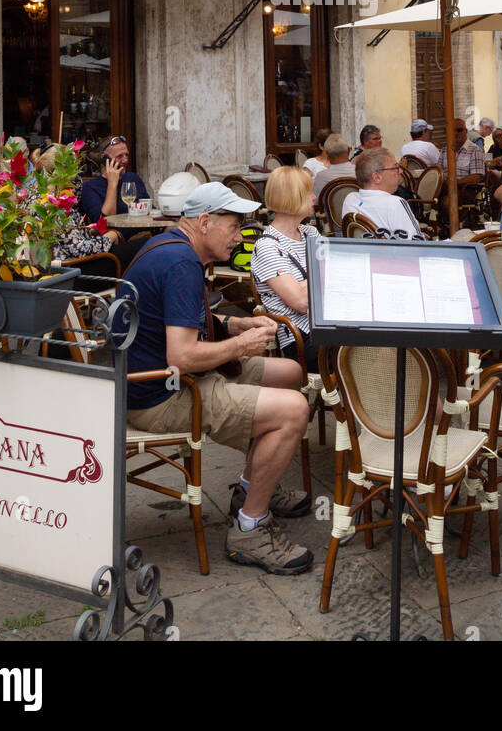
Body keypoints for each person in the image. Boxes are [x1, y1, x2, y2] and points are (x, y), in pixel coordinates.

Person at [119, 183, 314, 575]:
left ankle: (251, 485)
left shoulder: (172, 248)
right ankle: (250, 530)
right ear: (205, 222)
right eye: (234, 225)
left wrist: (234, 324)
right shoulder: (181, 264)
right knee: (294, 410)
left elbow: (181, 320)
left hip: (159, 379)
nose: (240, 236)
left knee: (291, 372)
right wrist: (241, 345)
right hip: (159, 396)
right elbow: (182, 356)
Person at [34, 143, 141, 273]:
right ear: (62, 172)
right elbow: (80, 250)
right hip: (73, 271)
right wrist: (110, 237)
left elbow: (68, 238)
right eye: (74, 171)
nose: (77, 178)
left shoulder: (39, 197)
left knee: (142, 245)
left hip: (75, 263)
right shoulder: (55, 203)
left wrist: (91, 232)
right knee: (143, 246)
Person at [252, 167, 319, 371]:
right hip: (302, 337)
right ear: (294, 197)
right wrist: (325, 275)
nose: (314, 197)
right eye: (309, 193)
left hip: (329, 324)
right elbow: (300, 302)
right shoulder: (267, 246)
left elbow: (339, 275)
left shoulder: (310, 233)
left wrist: (304, 285)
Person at [343, 149, 424, 237]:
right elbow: (414, 243)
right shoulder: (395, 204)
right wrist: (419, 236)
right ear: (377, 177)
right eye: (395, 168)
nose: (401, 171)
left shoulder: (350, 200)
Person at [79, 136, 149, 230]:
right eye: (119, 156)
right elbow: (104, 224)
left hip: (146, 232)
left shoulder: (133, 179)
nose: (125, 160)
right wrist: (112, 184)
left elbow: (150, 210)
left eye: (126, 155)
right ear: (105, 158)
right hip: (116, 237)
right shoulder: (90, 188)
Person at [438, 118, 485, 225]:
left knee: (447, 202)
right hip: (445, 189)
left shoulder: (474, 150)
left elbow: (476, 177)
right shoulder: (445, 150)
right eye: (452, 130)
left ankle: (448, 228)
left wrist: (454, 183)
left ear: (466, 131)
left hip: (465, 190)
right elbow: (438, 172)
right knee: (423, 198)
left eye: (459, 130)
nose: (455, 133)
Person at [311, 134, 356, 200]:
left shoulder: (321, 177)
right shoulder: (360, 172)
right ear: (349, 151)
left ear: (327, 154)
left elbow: (315, 201)